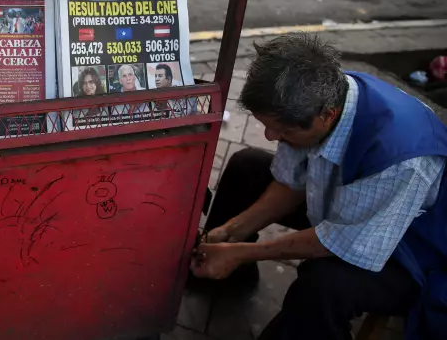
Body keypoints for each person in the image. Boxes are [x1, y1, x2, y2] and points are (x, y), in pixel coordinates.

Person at [191, 33, 447, 340]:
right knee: (247, 167)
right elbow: (293, 182)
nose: (272, 136)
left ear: (328, 116)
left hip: (408, 249)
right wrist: (233, 230)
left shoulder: (402, 158)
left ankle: (234, 267)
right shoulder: (318, 94)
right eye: (267, 125)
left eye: (282, 129)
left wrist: (243, 252)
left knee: (323, 286)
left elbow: (339, 242)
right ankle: (219, 270)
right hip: (346, 208)